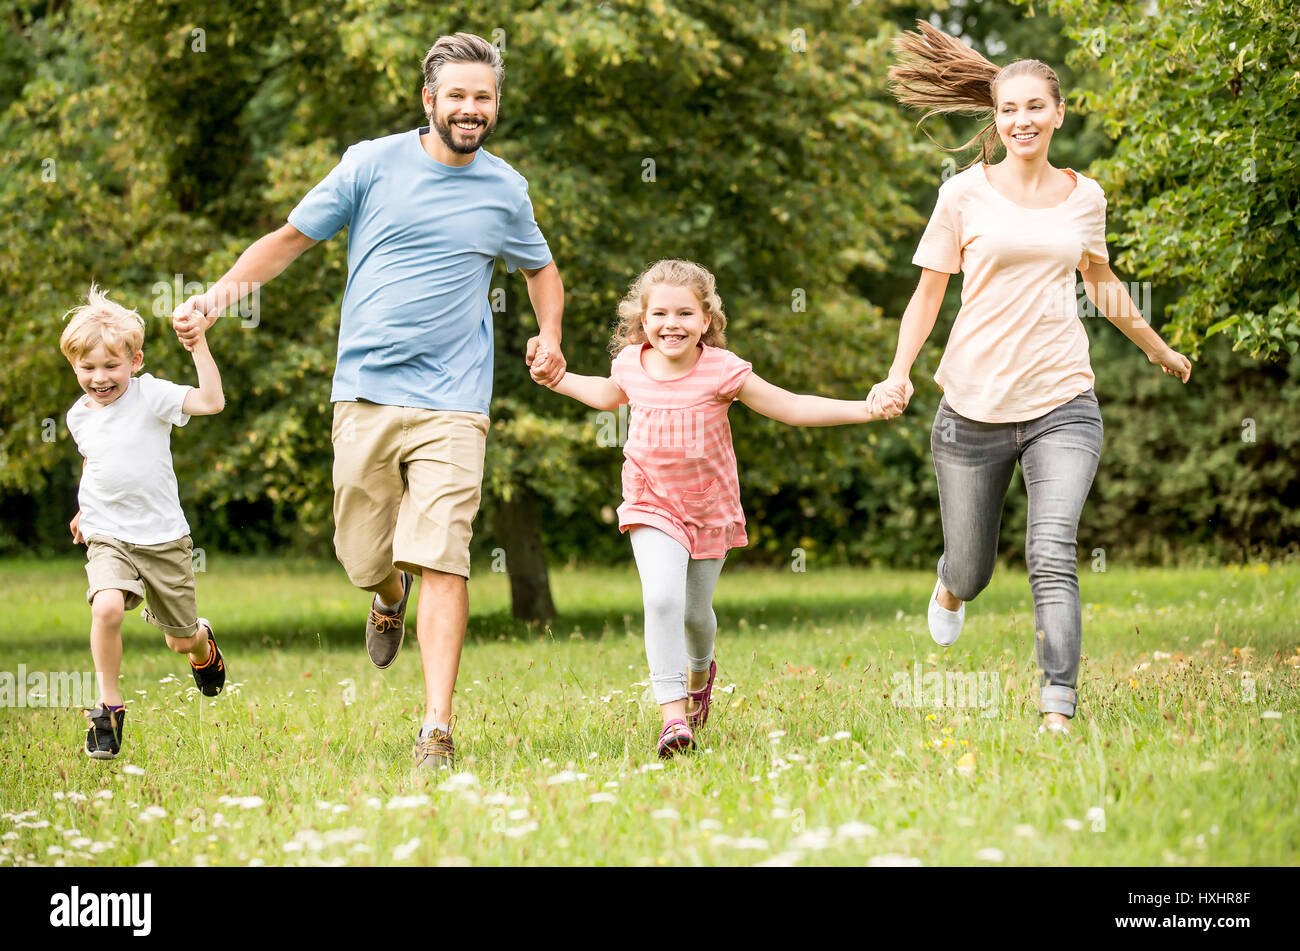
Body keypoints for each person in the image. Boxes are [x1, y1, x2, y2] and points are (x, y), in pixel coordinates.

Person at [171, 33, 566, 771]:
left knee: (445, 557)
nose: (471, 109)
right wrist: (217, 301)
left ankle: (436, 729)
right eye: (457, 96)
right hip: (365, 394)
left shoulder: (505, 189)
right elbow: (289, 240)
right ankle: (387, 595)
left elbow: (542, 271)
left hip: (455, 402)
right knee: (361, 556)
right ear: (429, 101)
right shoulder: (370, 164)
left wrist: (550, 335)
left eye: (483, 97)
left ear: (496, 104)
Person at [867, 23, 1192, 733]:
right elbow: (927, 295)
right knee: (973, 569)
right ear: (995, 115)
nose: (1021, 120)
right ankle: (952, 587)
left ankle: (1057, 710)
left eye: (1034, 107)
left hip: (1062, 400)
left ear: (1058, 113)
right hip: (972, 408)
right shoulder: (962, 195)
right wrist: (898, 375)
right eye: (1008, 109)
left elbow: (1100, 283)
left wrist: (1155, 347)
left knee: (1051, 551)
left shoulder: (1085, 195)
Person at [532, 259, 901, 756]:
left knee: (694, 614)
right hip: (650, 500)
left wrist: (865, 408)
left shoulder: (722, 370)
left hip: (709, 507)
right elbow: (605, 394)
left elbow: (790, 408)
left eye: (685, 313)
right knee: (661, 599)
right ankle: (672, 717)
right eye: (659, 313)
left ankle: (700, 672)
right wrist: (557, 378)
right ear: (642, 321)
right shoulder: (631, 364)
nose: (671, 324)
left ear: (706, 320)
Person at [61, 285, 227, 759]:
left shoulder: (151, 395)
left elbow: (212, 402)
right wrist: (83, 508)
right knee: (106, 608)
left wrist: (199, 347)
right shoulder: (79, 416)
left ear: (134, 362)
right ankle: (108, 710)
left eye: (110, 366)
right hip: (108, 534)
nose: (99, 378)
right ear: (74, 366)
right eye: (87, 368)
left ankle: (202, 644)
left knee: (180, 641)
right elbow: (98, 462)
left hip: (163, 539)